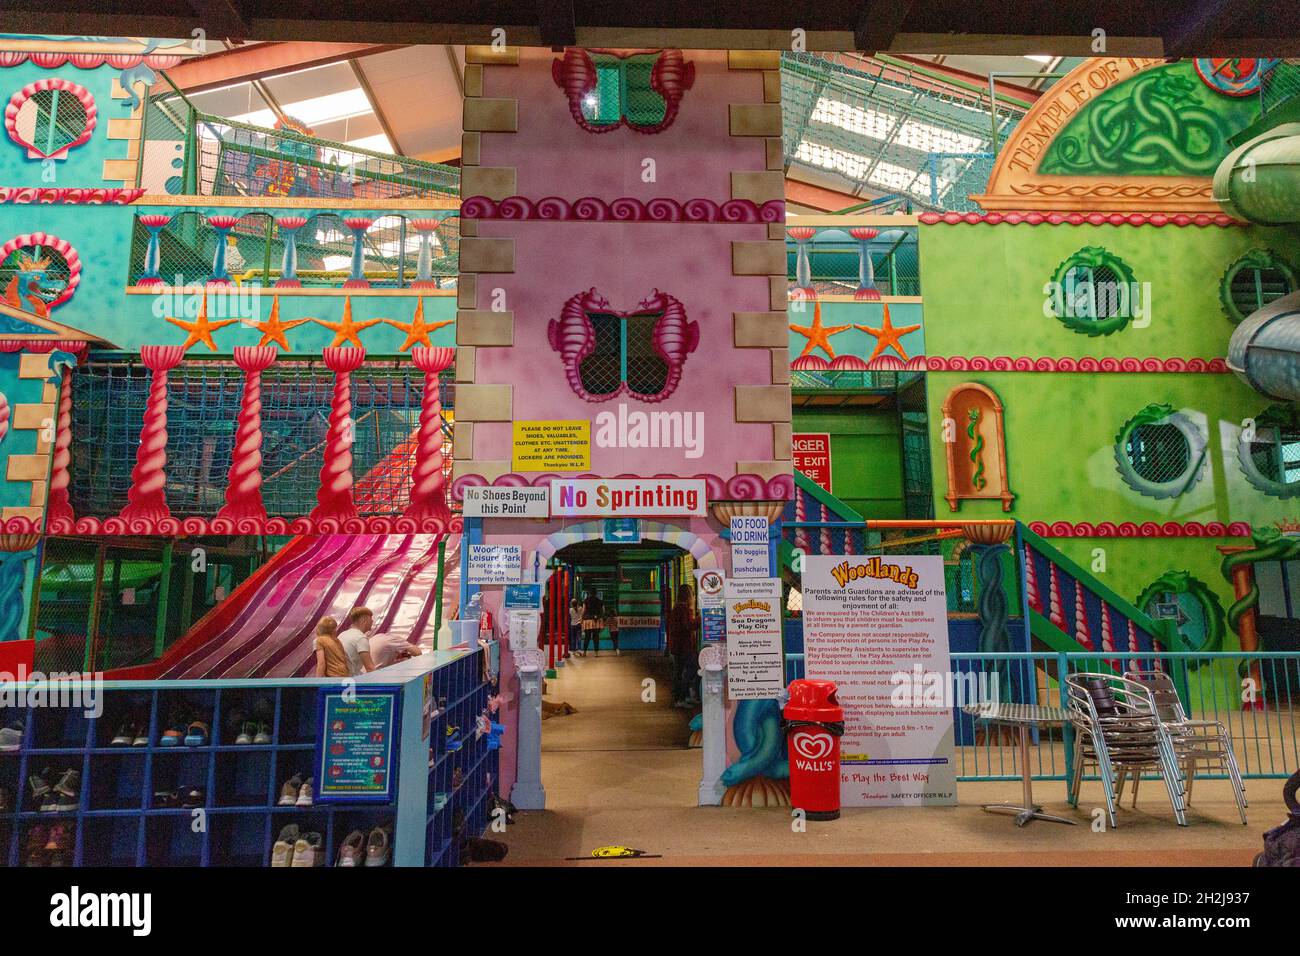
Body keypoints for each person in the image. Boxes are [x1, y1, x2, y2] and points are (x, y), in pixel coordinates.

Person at [667, 584, 699, 708]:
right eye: (692, 594)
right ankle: (683, 696)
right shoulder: (684, 608)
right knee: (691, 670)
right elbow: (688, 626)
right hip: (684, 646)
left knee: (679, 672)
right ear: (688, 595)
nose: (694, 597)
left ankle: (680, 697)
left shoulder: (677, 607)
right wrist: (699, 619)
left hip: (677, 646)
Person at [337, 606, 378, 676]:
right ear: (364, 620)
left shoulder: (342, 635)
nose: (372, 621)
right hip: (351, 680)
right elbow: (370, 668)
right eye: (370, 619)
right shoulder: (360, 638)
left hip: (338, 677)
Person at [581, 590, 605, 656]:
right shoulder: (600, 601)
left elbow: (583, 610)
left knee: (587, 637)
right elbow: (603, 611)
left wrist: (581, 619)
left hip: (588, 620)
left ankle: (584, 652)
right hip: (597, 621)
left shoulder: (586, 600)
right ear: (596, 594)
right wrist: (600, 616)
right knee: (596, 637)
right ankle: (596, 653)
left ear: (589, 594)